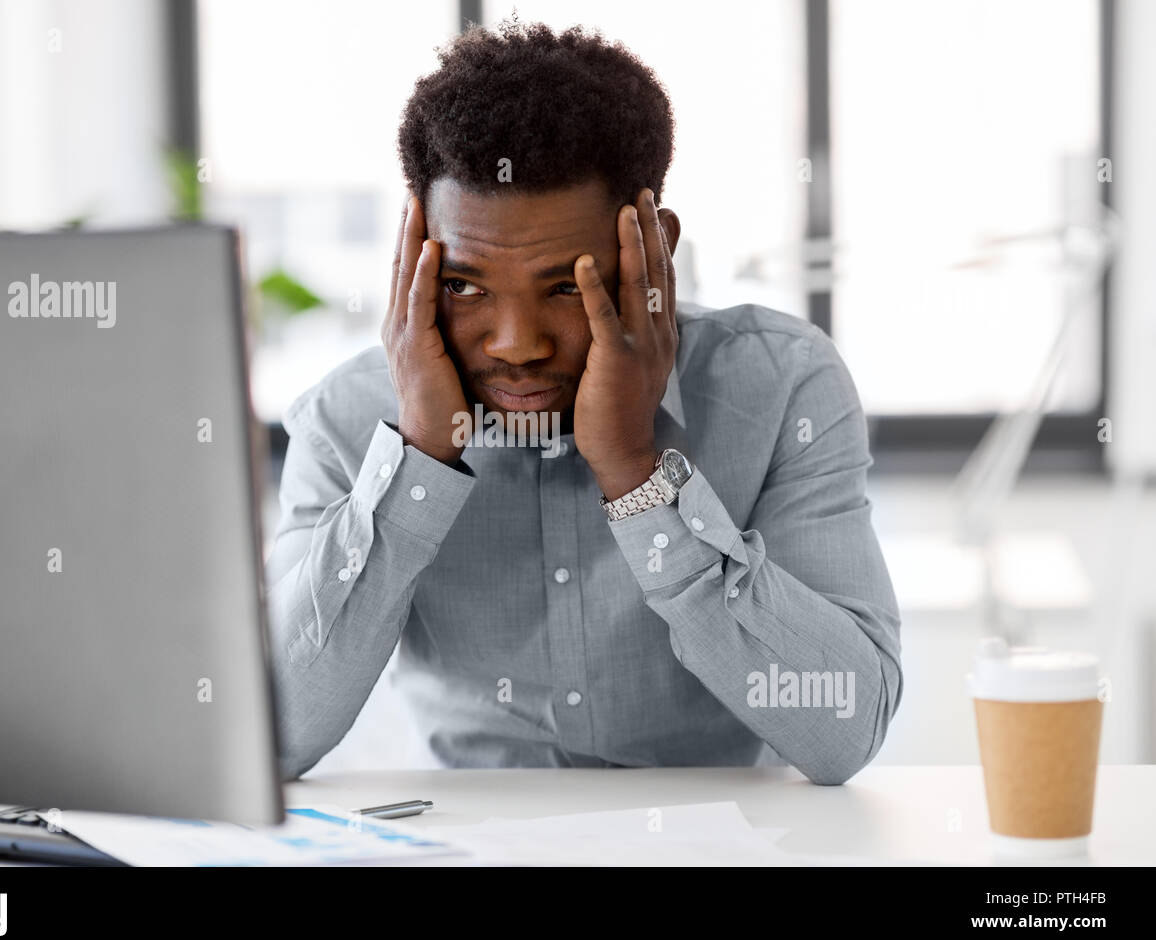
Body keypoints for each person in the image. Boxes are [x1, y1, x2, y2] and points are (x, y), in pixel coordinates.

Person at [266, 18, 901, 785]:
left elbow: (846, 731)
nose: (516, 343)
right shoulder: (346, 421)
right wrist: (417, 457)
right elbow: (275, 737)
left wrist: (638, 475)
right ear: (415, 259)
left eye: (569, 285)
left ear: (653, 251)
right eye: (466, 285)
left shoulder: (781, 388)